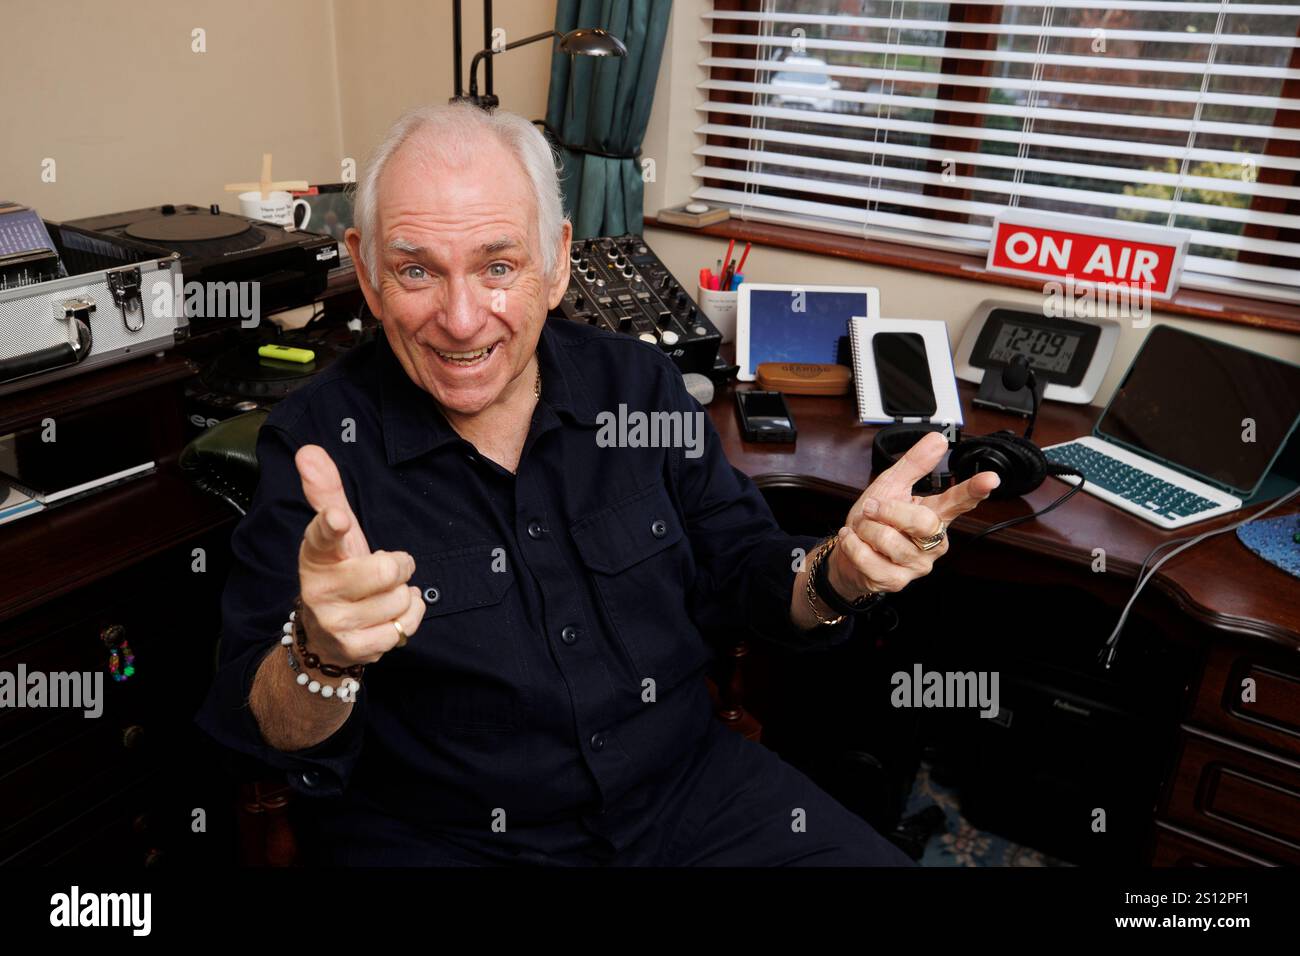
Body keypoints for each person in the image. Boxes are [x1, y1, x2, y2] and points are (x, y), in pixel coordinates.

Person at [196, 102, 1000, 866]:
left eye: (499, 265)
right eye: (416, 272)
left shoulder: (638, 387)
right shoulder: (316, 446)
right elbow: (259, 721)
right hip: (451, 839)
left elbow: (748, 569)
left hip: (689, 794)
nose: (464, 317)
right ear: (367, 279)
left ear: (556, 265)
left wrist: (839, 573)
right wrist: (321, 657)